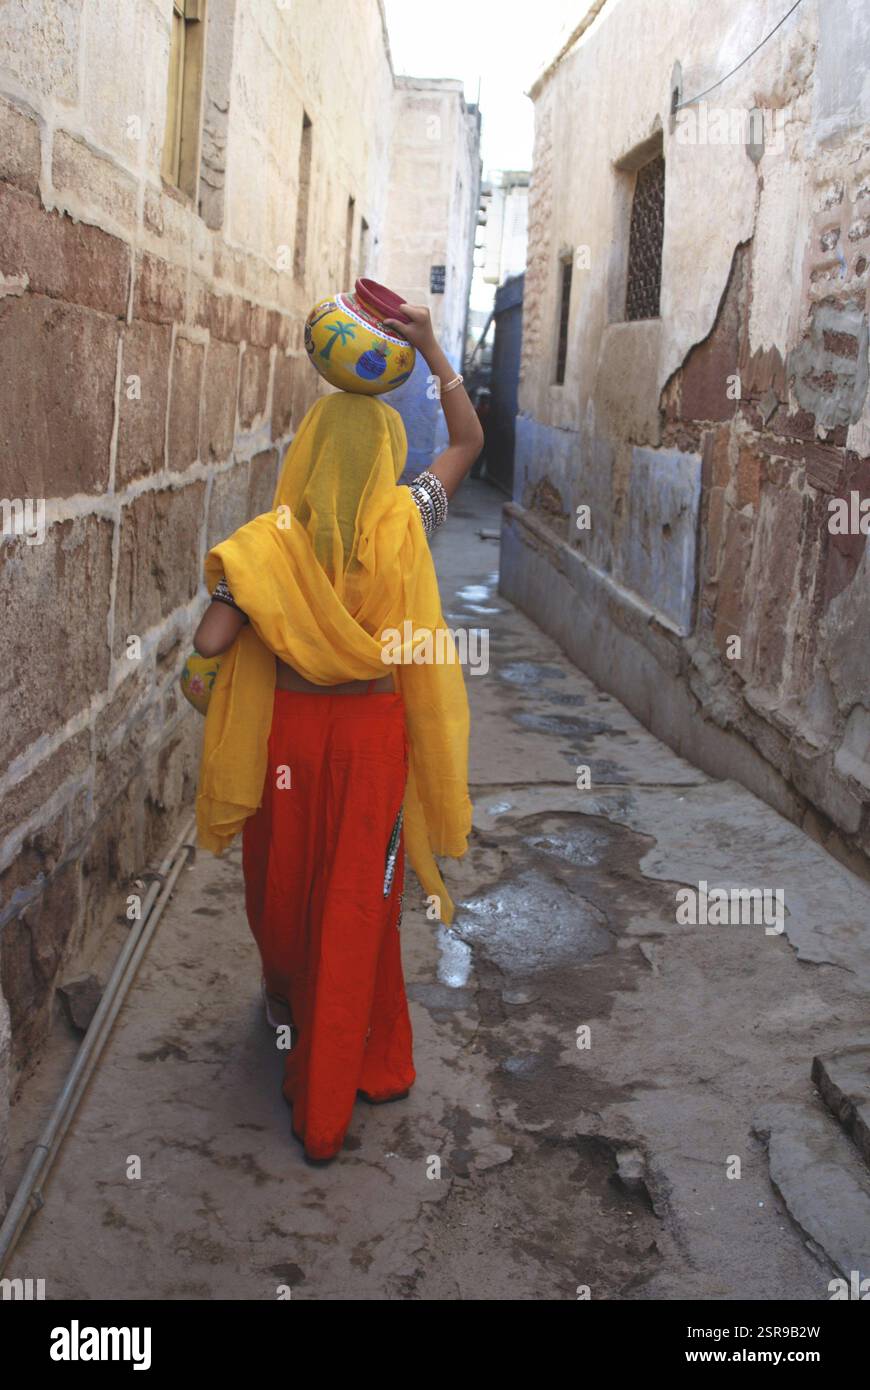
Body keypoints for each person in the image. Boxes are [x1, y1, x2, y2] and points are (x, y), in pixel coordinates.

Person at [192, 303, 484, 1162]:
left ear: (308, 456)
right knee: (359, 898)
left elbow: (210, 645)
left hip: (287, 738)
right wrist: (429, 343)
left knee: (287, 886)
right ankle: (347, 1079)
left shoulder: (268, 544)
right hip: (371, 740)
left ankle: (287, 1002)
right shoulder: (408, 519)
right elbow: (466, 442)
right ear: (388, 460)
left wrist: (228, 641)